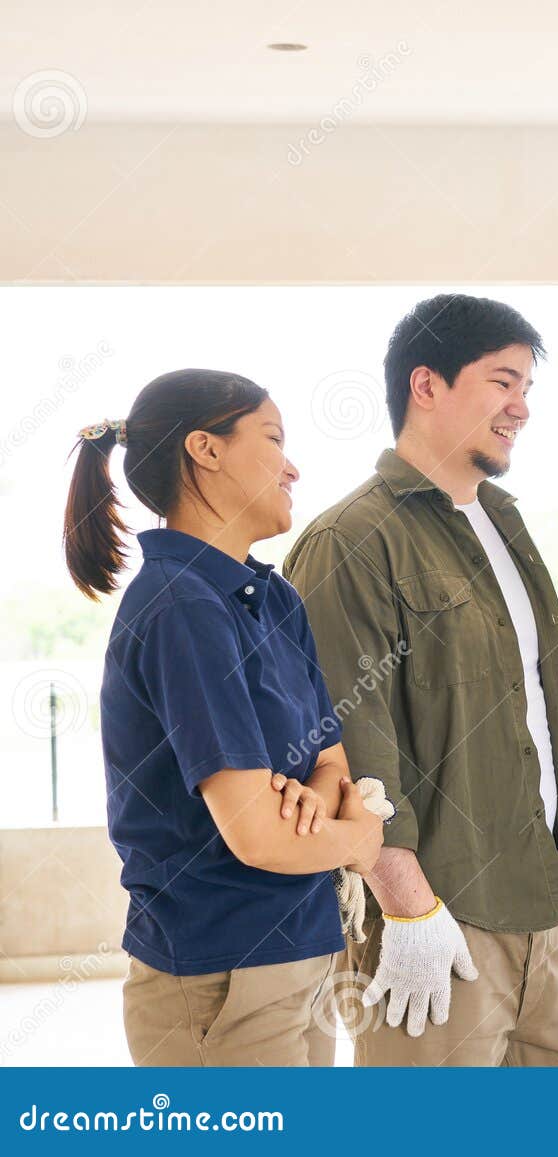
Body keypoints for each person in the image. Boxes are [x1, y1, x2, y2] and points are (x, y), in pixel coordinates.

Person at [284, 294, 558, 1066]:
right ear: (426, 384)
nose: (522, 408)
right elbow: (349, 742)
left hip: (544, 910)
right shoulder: (352, 540)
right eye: (504, 382)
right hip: (437, 927)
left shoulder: (502, 524)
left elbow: (542, 717)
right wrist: (408, 910)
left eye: (528, 387)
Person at [66, 370, 384, 1066]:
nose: (293, 465)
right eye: (273, 439)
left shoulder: (273, 599)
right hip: (218, 979)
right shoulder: (182, 607)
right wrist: (358, 839)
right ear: (205, 450)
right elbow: (259, 838)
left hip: (304, 950)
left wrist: (313, 802)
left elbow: (332, 762)